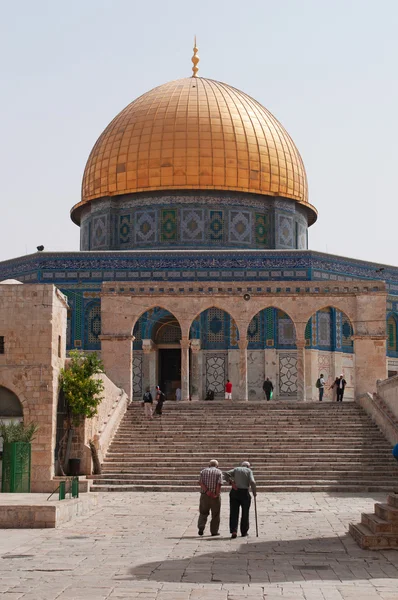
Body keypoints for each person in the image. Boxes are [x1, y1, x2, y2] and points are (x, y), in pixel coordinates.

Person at [223, 461, 257, 539]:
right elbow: (252, 481)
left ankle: (234, 531)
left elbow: (225, 474)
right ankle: (244, 532)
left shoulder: (236, 469)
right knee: (245, 513)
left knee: (233, 512)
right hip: (244, 492)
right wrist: (254, 492)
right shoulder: (249, 471)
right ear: (248, 466)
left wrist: (231, 483)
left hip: (235, 491)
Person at [198, 459, 223, 536]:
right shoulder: (219, 472)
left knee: (203, 512)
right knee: (215, 514)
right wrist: (216, 494)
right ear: (217, 466)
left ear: (209, 465)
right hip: (215, 495)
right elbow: (219, 484)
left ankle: (201, 527)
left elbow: (200, 482)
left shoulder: (203, 471)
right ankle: (214, 531)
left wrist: (207, 491)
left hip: (204, 495)